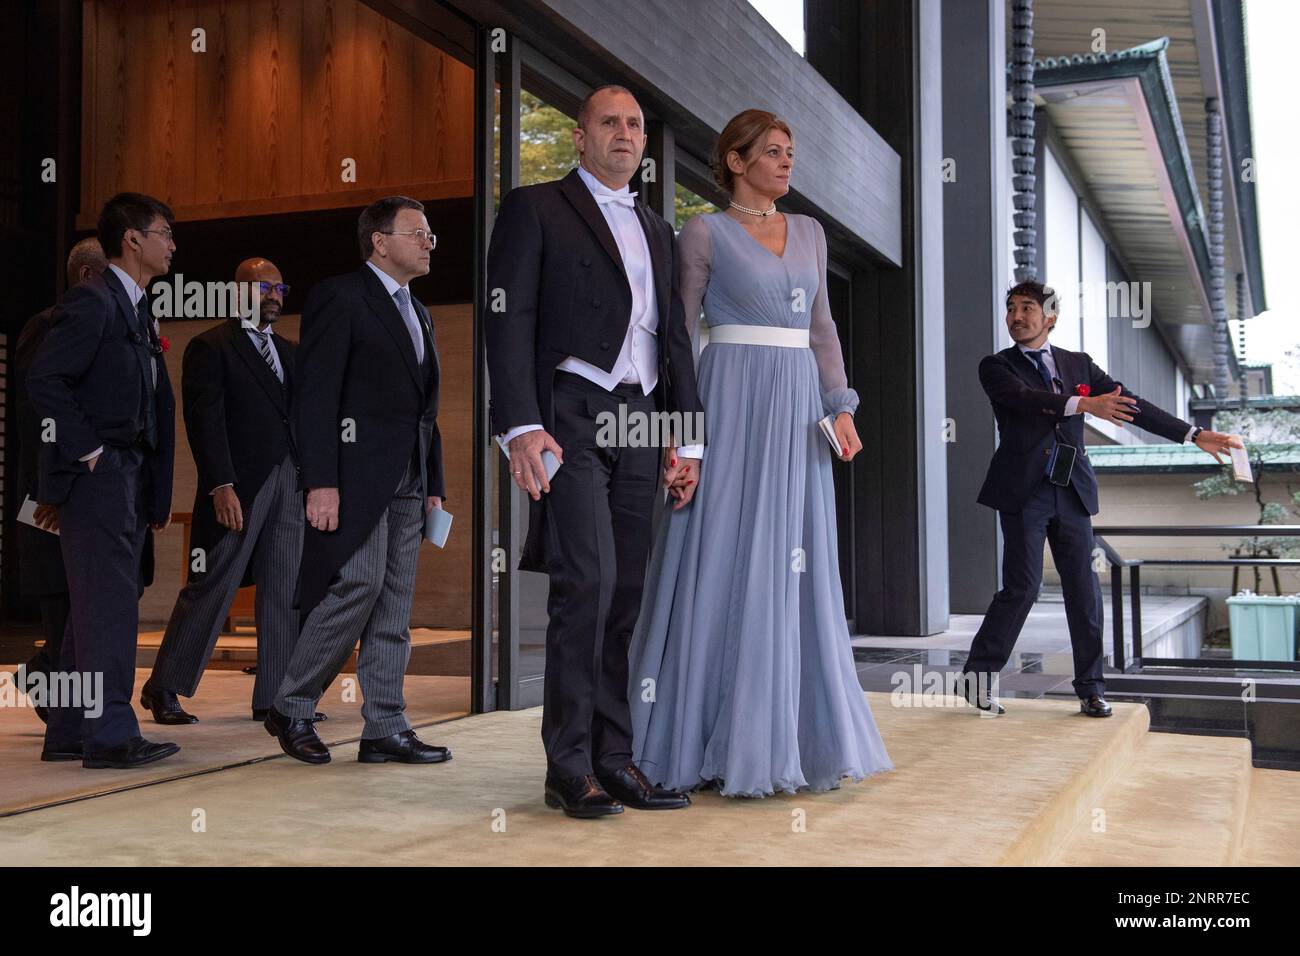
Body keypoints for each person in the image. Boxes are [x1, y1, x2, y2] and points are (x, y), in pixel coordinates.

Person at [627, 109, 892, 797]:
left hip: (800, 407)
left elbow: (823, 329)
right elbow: (678, 338)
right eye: (771, 152)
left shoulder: (809, 232)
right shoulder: (702, 231)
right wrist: (679, 441)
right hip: (728, 399)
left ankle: (795, 741)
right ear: (735, 161)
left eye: (790, 152)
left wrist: (841, 406)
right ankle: (691, 740)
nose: (784, 163)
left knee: (794, 561)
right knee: (713, 551)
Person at [486, 85, 705, 818]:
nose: (624, 133)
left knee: (627, 595)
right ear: (579, 137)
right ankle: (568, 766)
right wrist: (518, 425)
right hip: (568, 411)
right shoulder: (534, 207)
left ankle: (616, 760)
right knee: (588, 584)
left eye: (635, 124)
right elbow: (508, 318)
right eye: (608, 122)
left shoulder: (658, 229)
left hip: (640, 419)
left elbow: (673, 339)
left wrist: (689, 438)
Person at [957, 280, 1240, 716]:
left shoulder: (1079, 364)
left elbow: (1131, 404)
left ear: (1049, 317)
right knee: (1023, 587)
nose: (1016, 316)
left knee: (1084, 591)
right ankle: (977, 678)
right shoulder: (997, 366)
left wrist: (1193, 433)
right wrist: (1082, 406)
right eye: (1011, 308)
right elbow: (1025, 400)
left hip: (1071, 491)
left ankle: (1091, 688)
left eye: (1027, 308)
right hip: (1022, 491)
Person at [264, 196, 449, 766]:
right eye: (417, 233)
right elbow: (314, 398)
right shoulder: (339, 296)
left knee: (395, 605)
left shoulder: (420, 312)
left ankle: (384, 726)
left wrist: (433, 482)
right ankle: (291, 706)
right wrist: (320, 481)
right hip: (352, 477)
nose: (428, 243)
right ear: (379, 240)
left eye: (430, 236)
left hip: (408, 482)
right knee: (358, 586)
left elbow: (424, 411)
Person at [28, 192, 179, 769]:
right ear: (132, 240)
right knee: (109, 611)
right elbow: (45, 380)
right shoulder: (92, 302)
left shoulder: (138, 307)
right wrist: (89, 451)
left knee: (92, 610)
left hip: (128, 479)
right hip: (100, 478)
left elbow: (154, 405)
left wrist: (153, 489)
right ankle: (112, 734)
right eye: (164, 232)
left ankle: (67, 729)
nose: (172, 244)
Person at [141, 257, 312, 725]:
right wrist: (221, 484)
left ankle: (276, 699)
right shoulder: (210, 347)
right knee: (213, 584)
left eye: (280, 288)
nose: (274, 295)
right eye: (263, 288)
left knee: (284, 591)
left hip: (290, 484)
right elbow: (204, 421)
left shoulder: (293, 352)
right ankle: (164, 686)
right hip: (237, 486)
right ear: (237, 293)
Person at [13, 238, 106, 720]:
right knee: (63, 599)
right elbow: (34, 417)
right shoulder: (48, 325)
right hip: (50, 494)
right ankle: (60, 705)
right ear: (90, 275)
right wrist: (43, 491)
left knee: (90, 602)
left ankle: (47, 674)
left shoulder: (114, 324)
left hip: (95, 495)